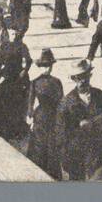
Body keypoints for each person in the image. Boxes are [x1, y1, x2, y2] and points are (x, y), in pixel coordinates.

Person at [55, 59, 102, 181]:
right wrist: (64, 159)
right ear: (73, 79)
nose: (82, 81)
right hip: (76, 156)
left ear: (90, 75)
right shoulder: (66, 102)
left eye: (84, 76)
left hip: (98, 153)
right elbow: (60, 134)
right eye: (78, 78)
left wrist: (92, 123)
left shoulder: (99, 96)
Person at [25, 49, 64, 179]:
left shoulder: (57, 82)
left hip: (53, 115)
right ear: (40, 67)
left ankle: (52, 174)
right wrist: (30, 115)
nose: (47, 69)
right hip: (41, 116)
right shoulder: (34, 82)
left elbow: (61, 102)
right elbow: (30, 102)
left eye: (49, 66)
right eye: (44, 66)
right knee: (39, 144)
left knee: (52, 145)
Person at [0, 26, 33, 140]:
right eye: (12, 34)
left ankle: (15, 128)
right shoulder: (4, 46)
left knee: (16, 100)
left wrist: (24, 72)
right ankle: (0, 126)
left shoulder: (22, 46)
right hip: (6, 76)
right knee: (0, 94)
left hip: (17, 77)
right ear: (8, 34)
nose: (13, 36)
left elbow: (29, 60)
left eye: (15, 34)